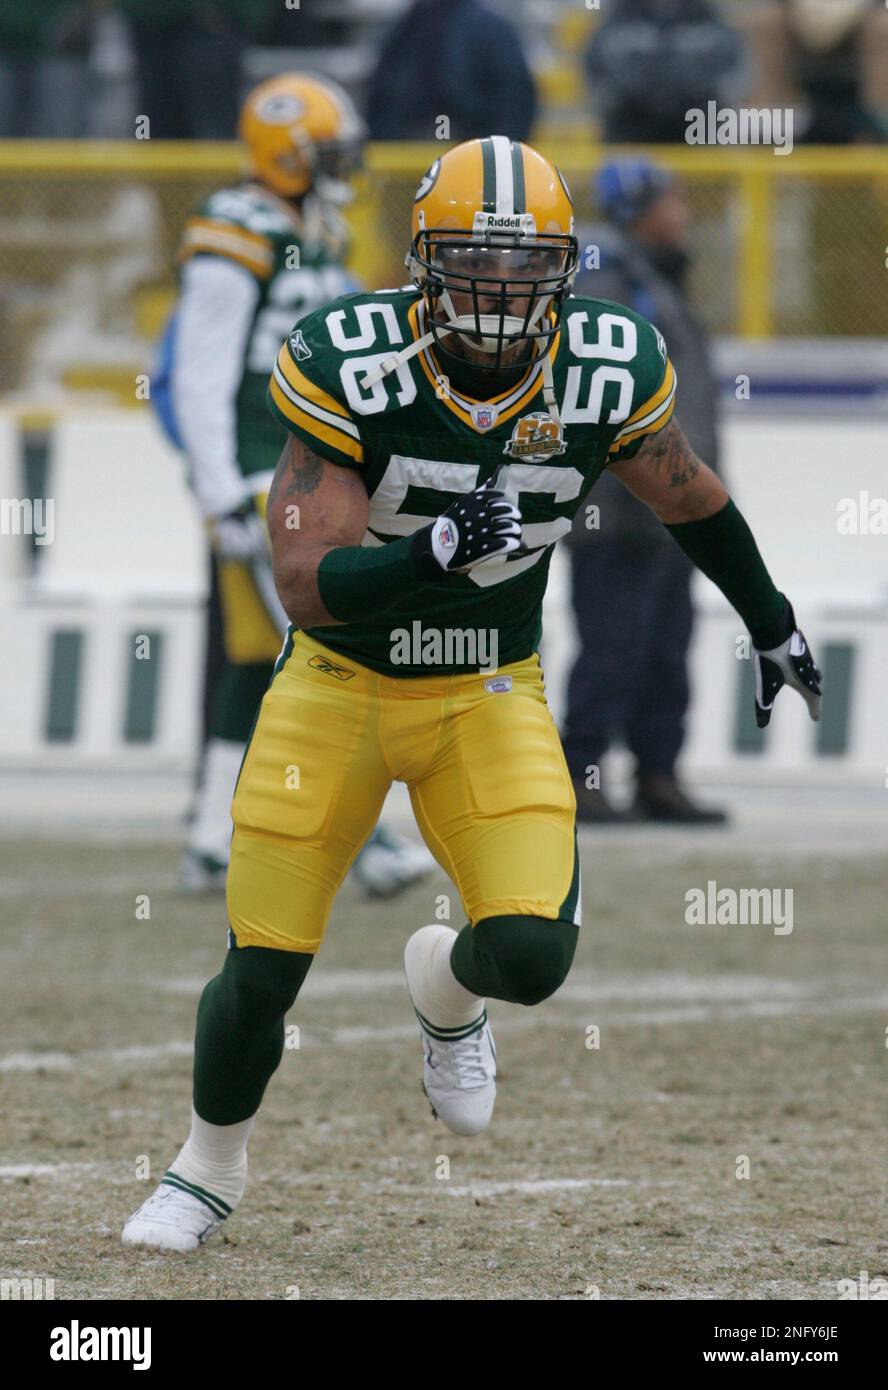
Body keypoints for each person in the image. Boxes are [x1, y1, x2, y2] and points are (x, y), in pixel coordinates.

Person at [123, 135, 822, 1250]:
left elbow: (684, 492)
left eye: (522, 268)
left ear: (562, 270)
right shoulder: (350, 357)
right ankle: (207, 1167)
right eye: (474, 266)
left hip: (487, 686)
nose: (498, 296)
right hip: (339, 687)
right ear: (420, 263)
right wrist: (427, 551)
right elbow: (304, 587)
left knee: (534, 954)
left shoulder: (606, 362)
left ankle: (446, 989)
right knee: (262, 965)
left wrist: (770, 615)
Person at [157, 72, 432, 898]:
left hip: (294, 474)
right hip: (255, 475)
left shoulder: (312, 228)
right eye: (329, 153)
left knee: (254, 662)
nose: (344, 167)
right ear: (286, 154)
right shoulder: (235, 231)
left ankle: (209, 840)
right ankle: (371, 840)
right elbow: (200, 380)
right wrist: (216, 494)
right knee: (336, 652)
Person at [563, 158, 727, 824]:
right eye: (671, 200)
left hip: (668, 513)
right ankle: (582, 776)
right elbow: (602, 400)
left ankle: (658, 775)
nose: (682, 212)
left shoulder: (655, 280)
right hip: (622, 511)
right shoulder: (610, 282)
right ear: (639, 209)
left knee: (664, 648)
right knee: (613, 646)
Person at [365, 0, 537, 143]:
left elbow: (515, 99)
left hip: (469, 149)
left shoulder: (488, 28)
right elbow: (381, 99)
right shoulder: (405, 28)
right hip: (409, 150)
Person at [584, 0, 747, 144]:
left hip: (697, 130)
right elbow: (595, 71)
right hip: (628, 130)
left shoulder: (707, 16)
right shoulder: (619, 16)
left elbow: (732, 73)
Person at [749, 0, 888, 143]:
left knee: (883, 25)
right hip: (797, 16)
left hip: (864, 15)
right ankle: (769, 130)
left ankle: (878, 125)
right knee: (767, 20)